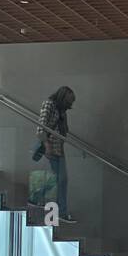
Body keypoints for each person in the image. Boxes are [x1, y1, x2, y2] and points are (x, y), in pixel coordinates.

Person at [35, 86, 76, 225]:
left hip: (59, 149)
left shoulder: (62, 111)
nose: (70, 104)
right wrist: (47, 146)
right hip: (50, 147)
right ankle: (60, 211)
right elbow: (41, 126)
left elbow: (64, 131)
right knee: (56, 180)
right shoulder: (49, 104)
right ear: (63, 97)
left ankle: (59, 211)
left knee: (61, 180)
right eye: (69, 101)